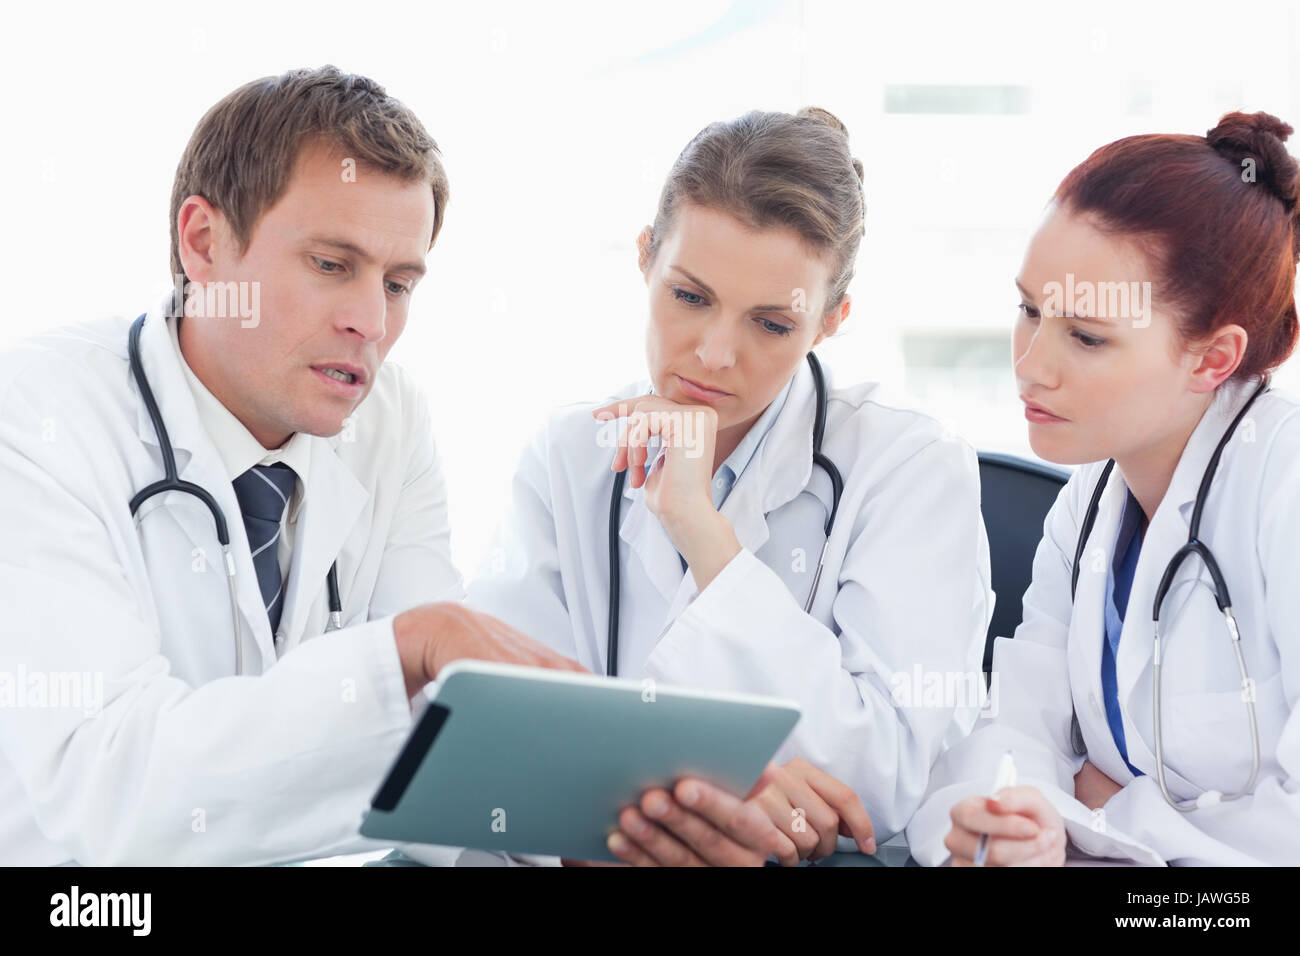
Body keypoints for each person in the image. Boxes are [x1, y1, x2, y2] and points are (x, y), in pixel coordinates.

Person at [0, 66, 584, 866]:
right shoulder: (38, 414)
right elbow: (106, 789)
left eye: (400, 283)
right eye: (331, 265)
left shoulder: (392, 419)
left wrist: (584, 828)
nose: (371, 322)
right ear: (203, 243)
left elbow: (448, 737)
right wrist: (404, 651)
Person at [463, 108, 994, 865]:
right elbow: (490, 739)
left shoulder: (911, 465)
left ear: (830, 322)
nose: (715, 355)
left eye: (771, 324)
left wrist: (701, 531)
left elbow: (883, 783)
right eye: (689, 296)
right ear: (645, 258)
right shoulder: (570, 453)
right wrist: (723, 793)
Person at [905, 111, 1300, 866]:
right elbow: (1014, 732)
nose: (1030, 366)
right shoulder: (1089, 502)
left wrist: (1108, 813)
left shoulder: (1285, 489)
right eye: (1029, 310)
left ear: (1212, 358)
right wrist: (1006, 821)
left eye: (1085, 337)